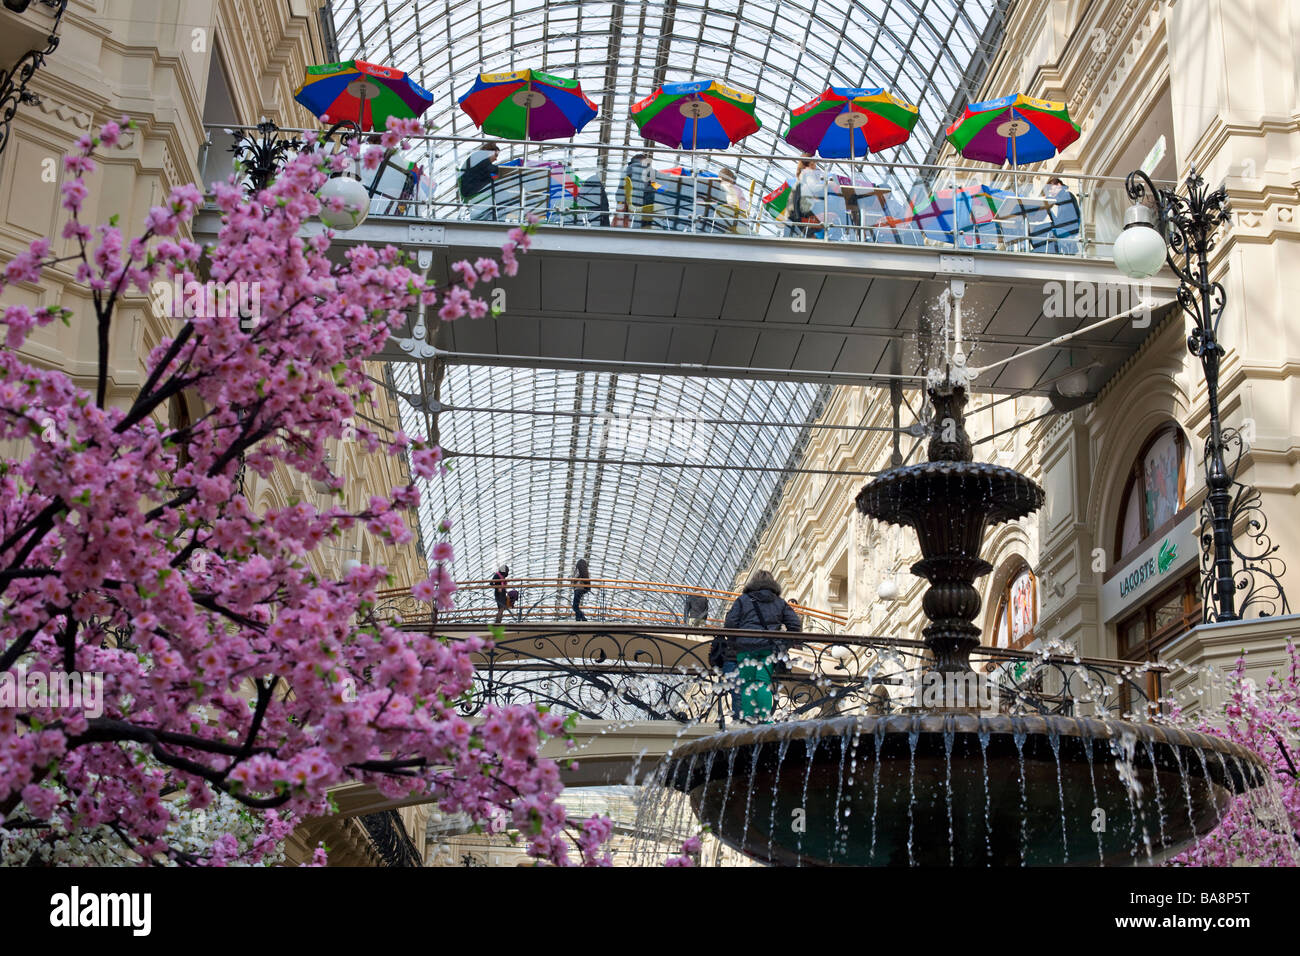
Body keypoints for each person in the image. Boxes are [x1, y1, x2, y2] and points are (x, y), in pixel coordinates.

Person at [715, 570, 802, 723]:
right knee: (763, 682)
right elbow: (795, 625)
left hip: (745, 648)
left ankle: (749, 717)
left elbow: (730, 624)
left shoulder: (743, 600)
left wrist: (737, 641)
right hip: (768, 648)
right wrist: (783, 644)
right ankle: (765, 718)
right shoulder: (780, 602)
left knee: (748, 683)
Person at [460, 140, 501, 219]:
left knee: (499, 190)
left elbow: (485, 172)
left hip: (470, 188)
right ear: (490, 152)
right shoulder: (481, 158)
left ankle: (493, 216)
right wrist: (499, 171)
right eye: (496, 155)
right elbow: (491, 170)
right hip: (473, 190)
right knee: (504, 194)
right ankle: (499, 218)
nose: (496, 159)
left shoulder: (476, 157)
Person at [572, 556, 591, 621]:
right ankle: (578, 619)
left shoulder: (578, 571)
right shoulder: (586, 573)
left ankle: (582, 617)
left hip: (577, 589)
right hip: (582, 589)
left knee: (574, 606)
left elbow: (573, 579)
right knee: (576, 605)